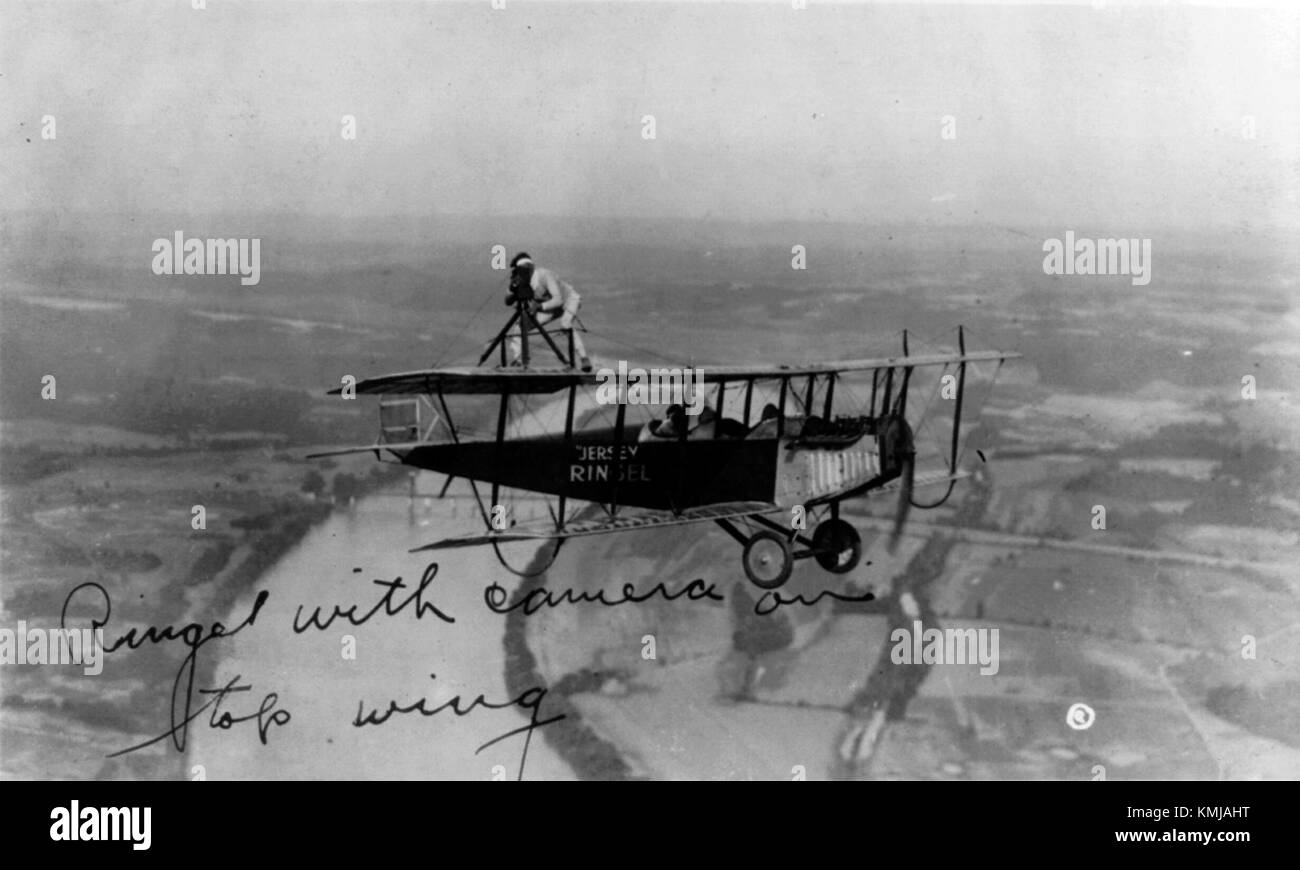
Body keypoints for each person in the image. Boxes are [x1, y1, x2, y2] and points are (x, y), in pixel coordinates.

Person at [506, 252, 592, 371]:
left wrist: (538, 307)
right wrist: (514, 292)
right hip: (548, 306)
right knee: (520, 326)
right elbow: (508, 300)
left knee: (566, 324)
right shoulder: (520, 280)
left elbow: (558, 300)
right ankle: (518, 361)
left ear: (531, 269)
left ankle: (584, 358)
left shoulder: (544, 275)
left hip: (568, 299)